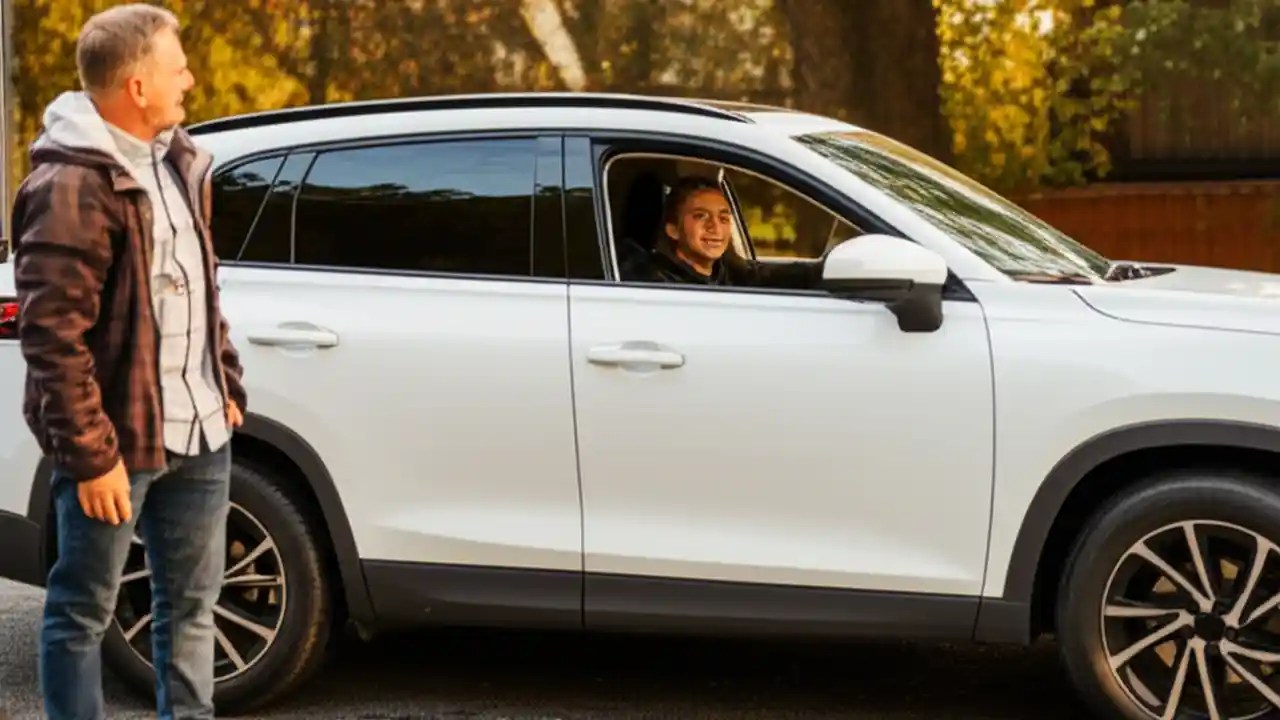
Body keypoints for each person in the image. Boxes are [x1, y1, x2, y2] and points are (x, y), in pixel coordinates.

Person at [10, 5, 247, 719]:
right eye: (178, 68)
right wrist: (90, 457)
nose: (192, 79)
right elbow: (53, 336)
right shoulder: (68, 187)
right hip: (118, 445)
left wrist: (225, 382)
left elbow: (201, 289)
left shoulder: (180, 160)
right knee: (82, 610)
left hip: (201, 430)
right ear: (137, 84)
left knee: (193, 607)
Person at [621, 174, 823, 289]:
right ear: (673, 230)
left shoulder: (727, 272)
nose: (715, 227)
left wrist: (826, 269)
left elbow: (768, 276)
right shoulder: (655, 282)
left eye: (723, 218)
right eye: (701, 216)